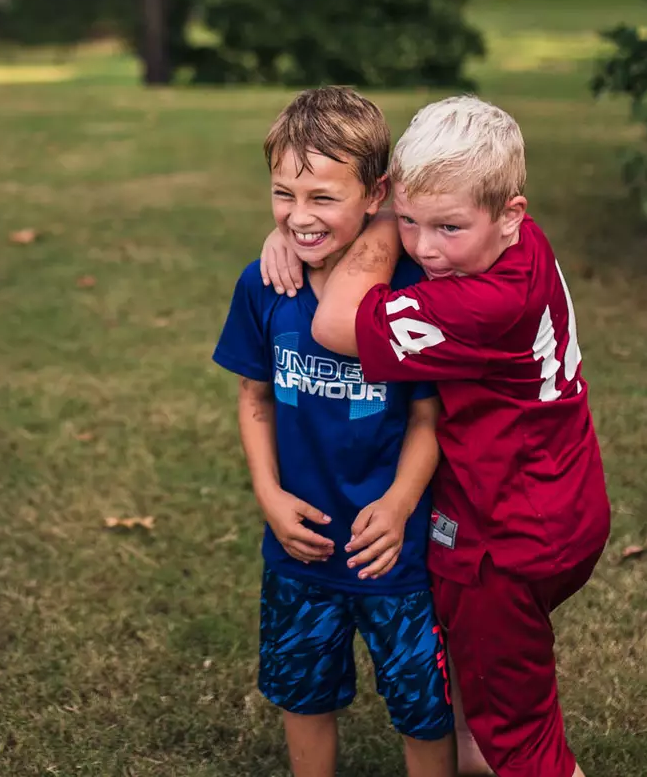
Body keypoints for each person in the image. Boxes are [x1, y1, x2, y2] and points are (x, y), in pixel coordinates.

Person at [259, 94, 611, 777]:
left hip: (504, 535)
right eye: (413, 221)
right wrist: (308, 227)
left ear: (510, 213)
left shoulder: (484, 301)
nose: (424, 248)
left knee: (522, 738)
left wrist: (381, 224)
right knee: (477, 696)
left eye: (447, 227)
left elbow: (336, 325)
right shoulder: (514, 239)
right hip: (562, 499)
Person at [213, 87, 454, 777]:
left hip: (394, 553)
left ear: (375, 194)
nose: (298, 215)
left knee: (423, 705)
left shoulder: (413, 293)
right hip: (301, 552)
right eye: (283, 195)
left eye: (322, 197)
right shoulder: (264, 287)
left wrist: (402, 503)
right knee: (304, 695)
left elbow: (427, 415)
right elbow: (254, 398)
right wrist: (268, 495)